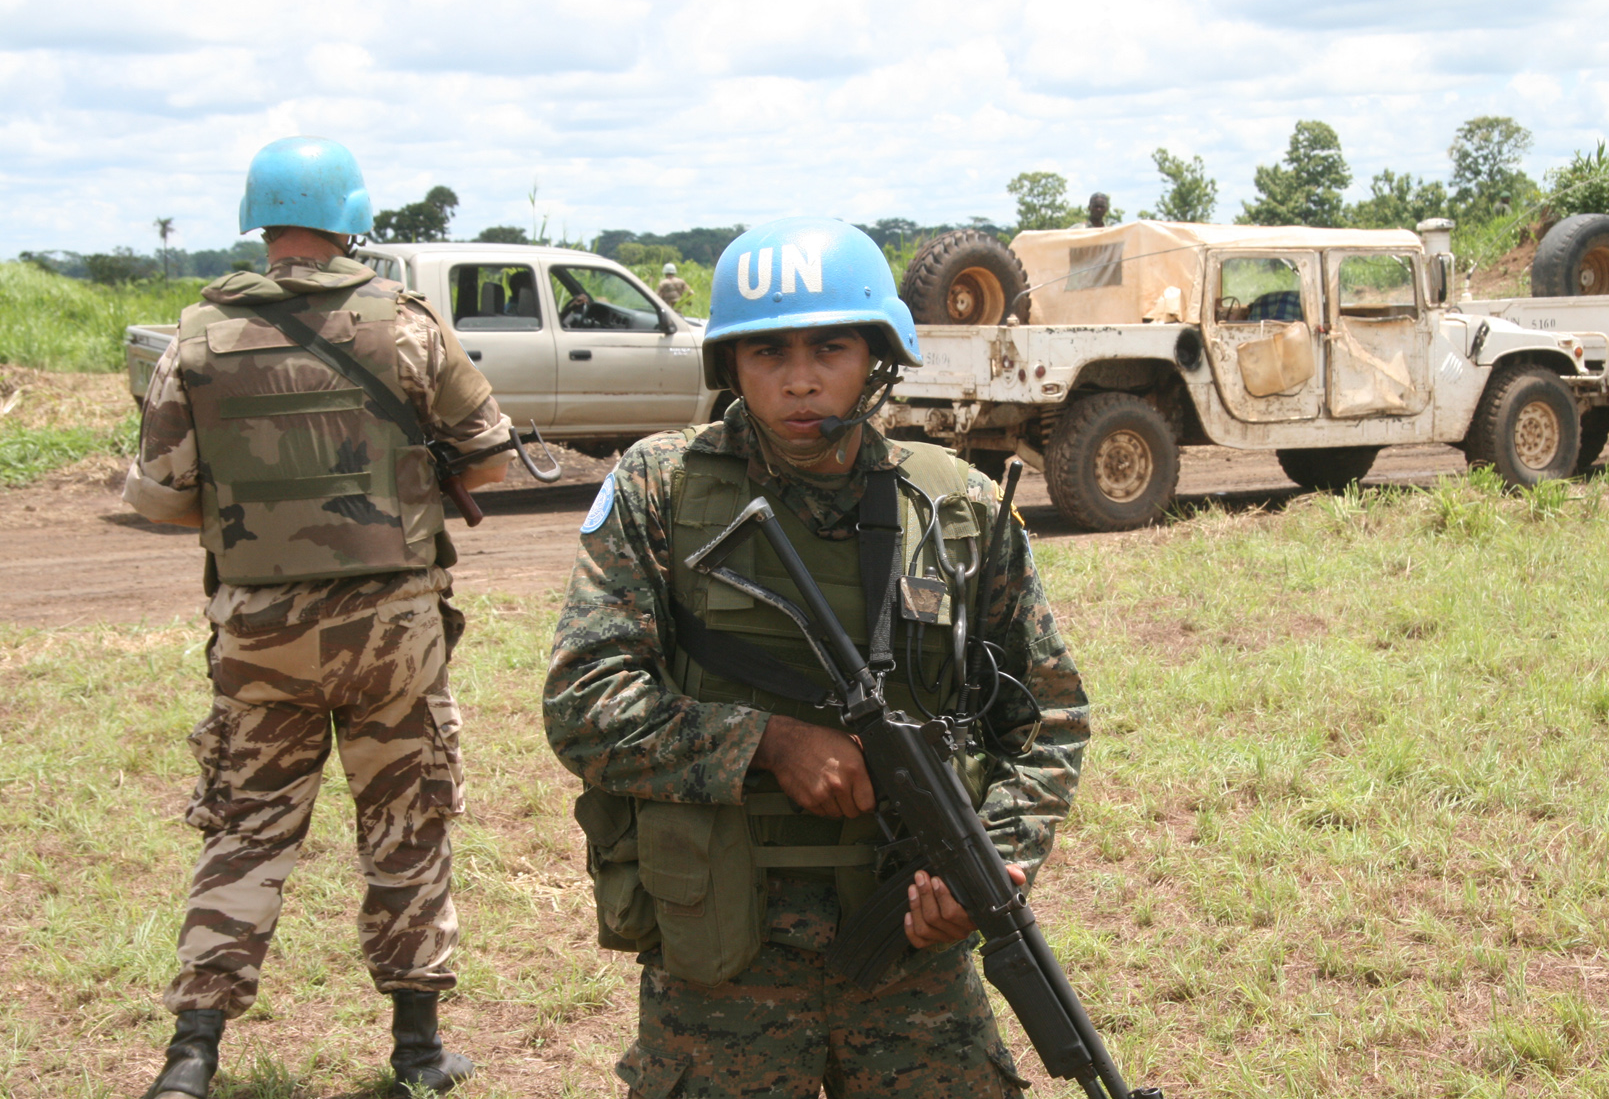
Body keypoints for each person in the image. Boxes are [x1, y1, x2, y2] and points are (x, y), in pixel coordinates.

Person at [542, 217, 1088, 1098]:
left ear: (877, 357)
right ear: (730, 365)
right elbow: (582, 701)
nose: (798, 379)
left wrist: (987, 859)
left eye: (829, 347)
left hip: (912, 947)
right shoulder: (660, 488)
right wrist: (764, 741)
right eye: (766, 353)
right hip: (724, 961)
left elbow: (1048, 716)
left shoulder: (957, 508)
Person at [123, 136, 515, 1099]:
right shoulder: (411, 327)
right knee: (408, 827)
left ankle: (191, 1056)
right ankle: (419, 1052)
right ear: (355, 219)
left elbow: (161, 500)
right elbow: (493, 460)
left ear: (262, 221)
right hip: (395, 635)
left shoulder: (196, 338)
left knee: (245, 832)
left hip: (260, 639)